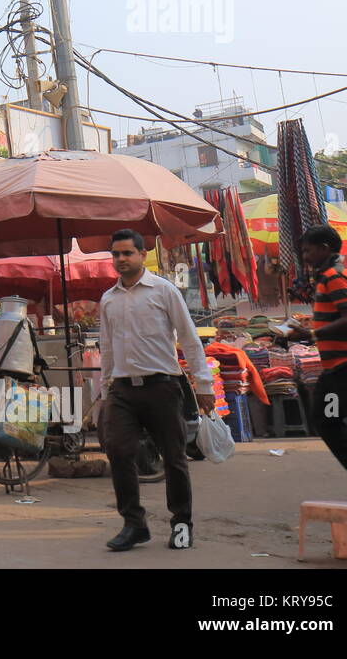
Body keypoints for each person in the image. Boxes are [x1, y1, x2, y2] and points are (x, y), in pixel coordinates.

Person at [98, 228, 215, 552]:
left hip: (162, 386)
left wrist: (203, 384)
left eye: (127, 253)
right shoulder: (108, 299)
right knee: (119, 452)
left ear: (140, 254)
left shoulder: (164, 291)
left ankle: (181, 524)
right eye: (116, 254)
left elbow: (189, 339)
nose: (120, 259)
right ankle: (134, 524)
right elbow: (106, 348)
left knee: (173, 457)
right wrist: (105, 394)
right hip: (122, 389)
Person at [287, 224, 347, 502]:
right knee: (326, 419)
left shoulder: (334, 276)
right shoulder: (326, 276)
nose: (304, 256)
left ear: (324, 249)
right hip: (336, 366)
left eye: (308, 250)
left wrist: (313, 333)